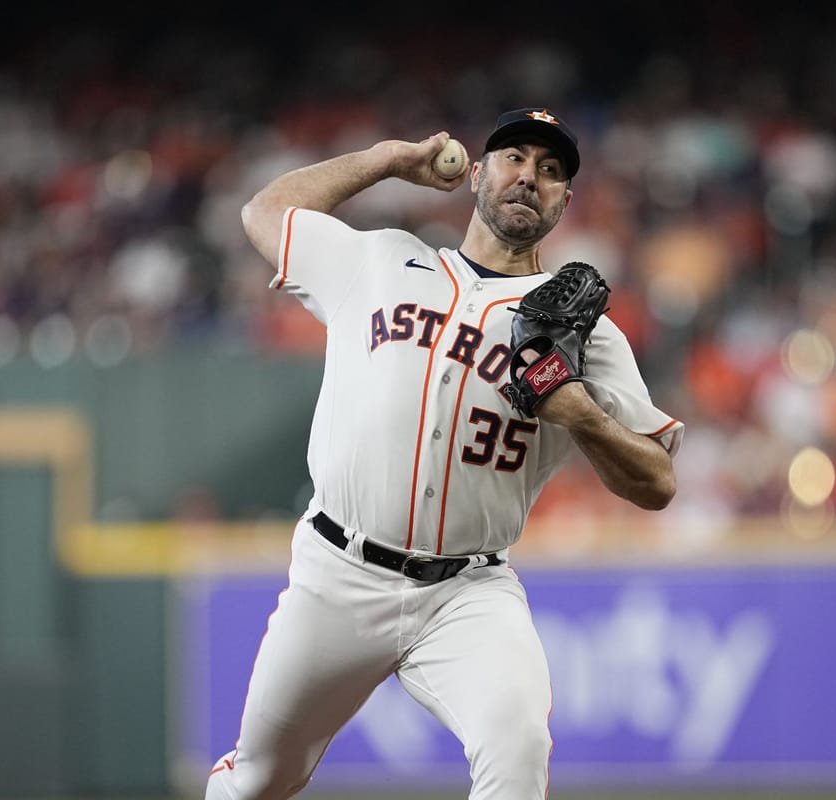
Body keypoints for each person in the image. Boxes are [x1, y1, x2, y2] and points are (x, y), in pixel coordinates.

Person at [205, 108, 683, 800]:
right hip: (338, 573)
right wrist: (388, 160)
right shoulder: (379, 261)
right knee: (258, 779)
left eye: (552, 171)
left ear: (564, 203)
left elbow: (658, 481)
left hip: (467, 592)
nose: (531, 177)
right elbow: (265, 211)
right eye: (515, 157)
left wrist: (579, 412)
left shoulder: (586, 335)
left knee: (518, 749)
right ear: (478, 172)